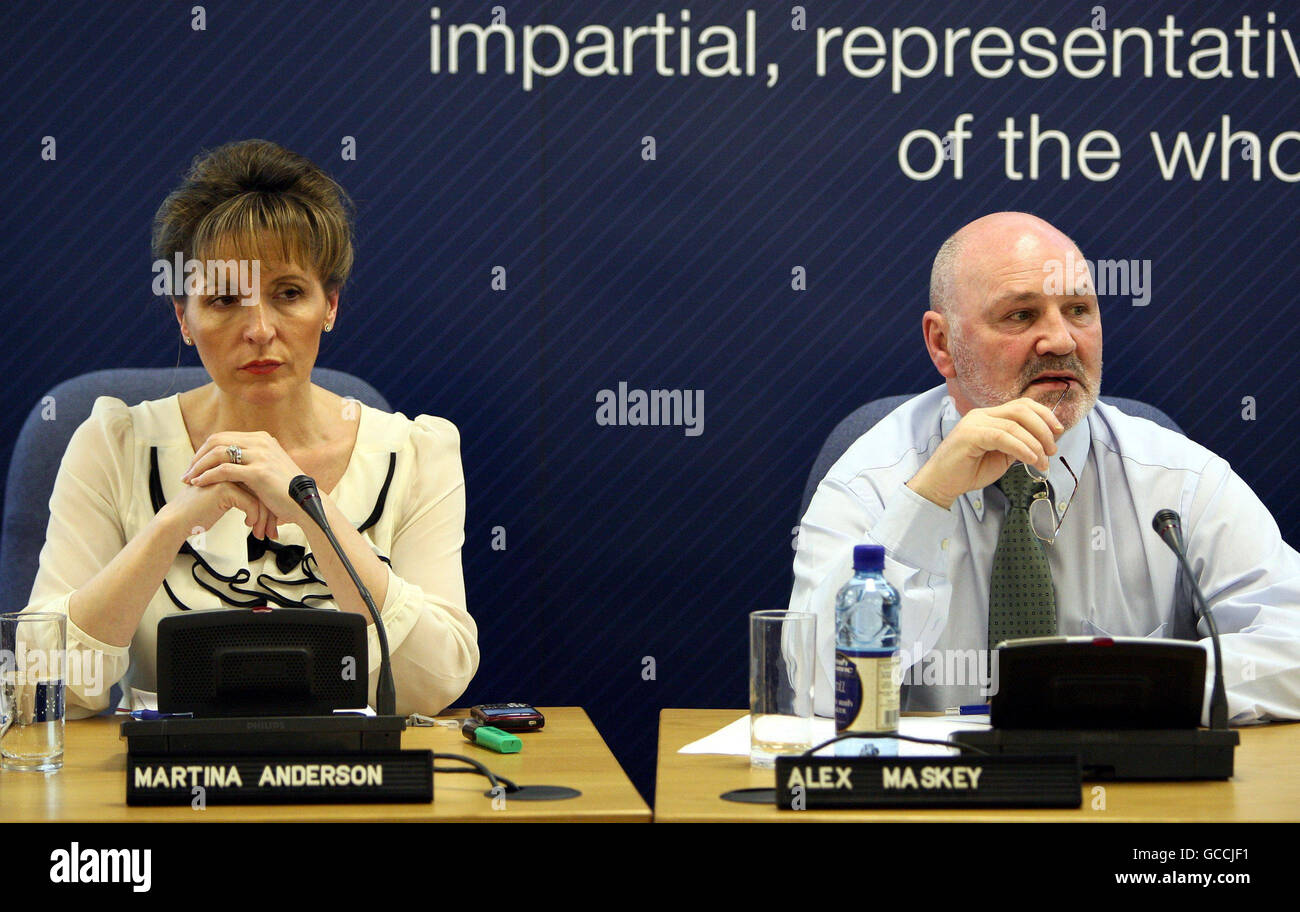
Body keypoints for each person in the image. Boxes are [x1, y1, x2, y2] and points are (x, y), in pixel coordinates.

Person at [23, 139, 478, 718]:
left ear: (330, 305)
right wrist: (173, 524)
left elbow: (434, 683)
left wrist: (310, 507)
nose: (260, 328)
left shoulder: (417, 454)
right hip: (167, 790)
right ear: (183, 318)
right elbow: (45, 690)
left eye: (289, 293)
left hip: (350, 784)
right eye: (224, 299)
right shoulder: (114, 446)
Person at [790, 211, 1300, 725]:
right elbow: (817, 687)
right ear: (942, 344)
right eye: (1020, 315)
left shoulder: (1179, 482)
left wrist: (1127, 685)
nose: (1061, 340)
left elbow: (1292, 645)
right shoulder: (870, 479)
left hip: (1130, 795)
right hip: (938, 797)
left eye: (1078, 309)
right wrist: (928, 499)